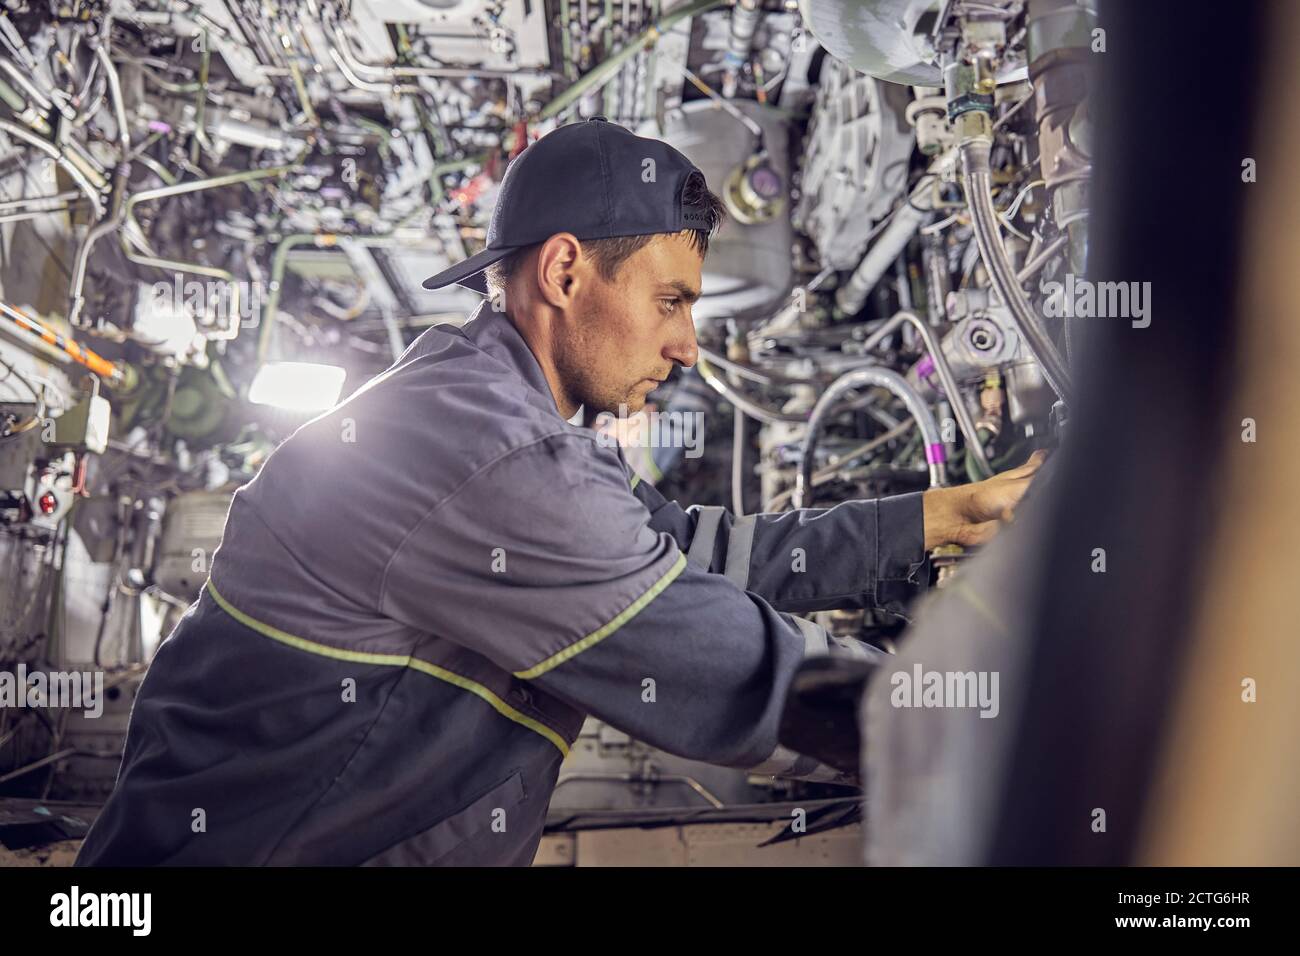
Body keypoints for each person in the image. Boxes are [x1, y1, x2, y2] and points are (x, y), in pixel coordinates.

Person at [76, 117, 1041, 866]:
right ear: (567, 269)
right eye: (670, 301)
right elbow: (728, 669)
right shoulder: (493, 455)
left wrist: (941, 514)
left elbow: (693, 555)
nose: (686, 346)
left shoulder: (494, 410)